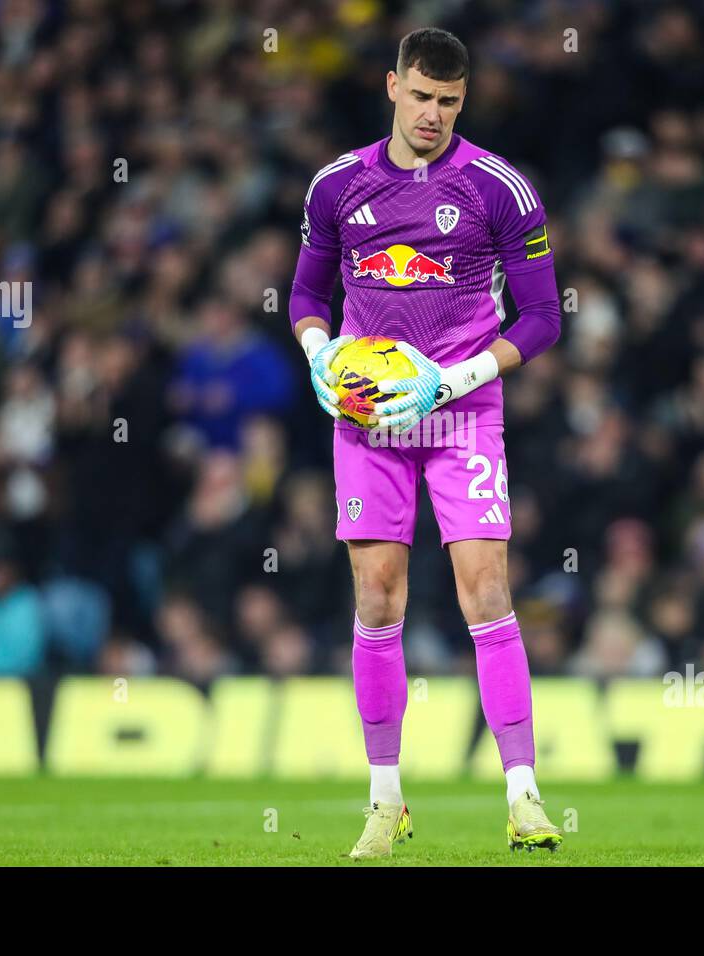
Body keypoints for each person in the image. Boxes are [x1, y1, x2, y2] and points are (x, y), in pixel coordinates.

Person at [288, 27, 563, 857]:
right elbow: (306, 292)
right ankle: (385, 799)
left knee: (486, 588)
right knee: (377, 598)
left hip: (458, 411)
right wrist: (317, 352)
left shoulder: (499, 189)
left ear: (462, 101)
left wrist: (452, 380)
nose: (433, 114)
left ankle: (523, 795)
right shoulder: (338, 185)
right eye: (420, 96)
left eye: (448, 101)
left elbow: (544, 317)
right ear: (391, 87)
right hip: (369, 417)